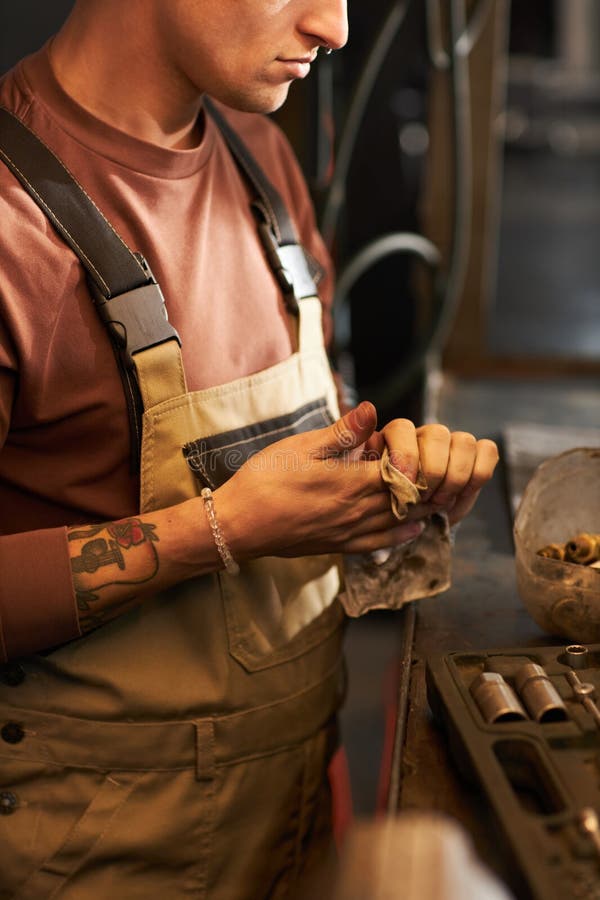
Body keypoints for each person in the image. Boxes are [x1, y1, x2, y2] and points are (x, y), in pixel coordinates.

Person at [0, 1, 499, 897]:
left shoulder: (257, 159)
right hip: (96, 855)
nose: (336, 26)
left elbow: (314, 450)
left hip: (292, 812)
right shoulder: (11, 226)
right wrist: (221, 529)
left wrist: (384, 494)